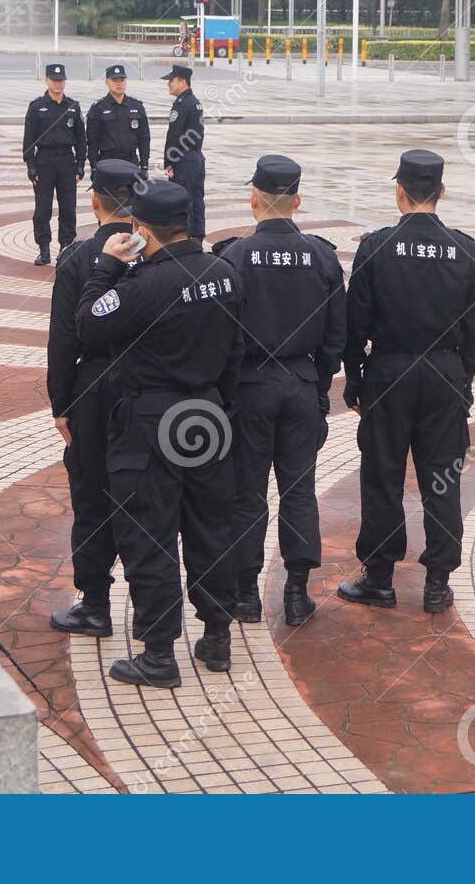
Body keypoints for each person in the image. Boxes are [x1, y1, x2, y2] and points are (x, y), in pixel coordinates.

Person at [77, 180, 243, 688]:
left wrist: (106, 266)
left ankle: (158, 654)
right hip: (207, 414)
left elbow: (88, 324)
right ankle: (217, 635)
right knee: (211, 529)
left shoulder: (143, 285)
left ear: (142, 230)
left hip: (151, 418)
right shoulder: (225, 274)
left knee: (149, 534)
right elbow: (236, 352)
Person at [338, 150, 475, 615]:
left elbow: (354, 324)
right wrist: (462, 380)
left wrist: (355, 378)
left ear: (399, 191)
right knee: (442, 479)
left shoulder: (376, 247)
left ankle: (380, 578)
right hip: (444, 373)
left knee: (382, 475)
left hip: (389, 371)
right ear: (441, 191)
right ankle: (437, 583)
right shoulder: (465, 249)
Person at [212, 155, 345, 626]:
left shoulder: (234, 257)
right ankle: (296, 592)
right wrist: (319, 384)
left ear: (254, 200)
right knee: (299, 490)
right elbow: (336, 336)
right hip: (302, 383)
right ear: (297, 201)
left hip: (250, 386)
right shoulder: (322, 257)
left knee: (247, 492)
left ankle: (246, 594)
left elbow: (221, 337)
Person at [47, 159, 142, 636]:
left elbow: (63, 339)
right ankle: (150, 610)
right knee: (146, 497)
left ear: (94, 201)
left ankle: (96, 603)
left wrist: (60, 404)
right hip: (147, 385)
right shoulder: (157, 252)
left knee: (91, 495)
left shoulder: (79, 258)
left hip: (94, 387)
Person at [23, 62, 85, 265]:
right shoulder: (36, 106)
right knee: (43, 209)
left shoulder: (73, 106)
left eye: (61, 80)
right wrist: (31, 166)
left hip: (67, 160)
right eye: (54, 80)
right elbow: (28, 140)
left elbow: (81, 139)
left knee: (68, 208)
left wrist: (80, 164)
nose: (58, 84)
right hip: (45, 161)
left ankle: (66, 247)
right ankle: (44, 249)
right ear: (46, 80)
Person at [161, 64, 207, 238]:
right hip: (196, 158)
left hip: (183, 160)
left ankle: (183, 239)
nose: (168, 84)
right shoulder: (194, 102)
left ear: (182, 82)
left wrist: (169, 163)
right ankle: (197, 236)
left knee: (181, 200)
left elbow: (174, 135)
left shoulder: (182, 104)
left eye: (171, 80)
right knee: (196, 200)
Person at [85, 63, 149, 173]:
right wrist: (94, 167)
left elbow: (144, 138)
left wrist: (144, 165)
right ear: (107, 82)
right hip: (107, 162)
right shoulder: (98, 108)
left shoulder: (137, 107)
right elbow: (92, 141)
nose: (119, 84)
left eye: (122, 80)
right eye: (115, 80)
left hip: (131, 161)